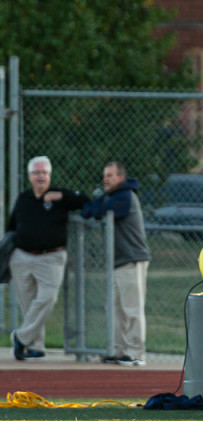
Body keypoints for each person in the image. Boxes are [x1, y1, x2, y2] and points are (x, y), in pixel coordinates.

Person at [7, 156, 87, 361]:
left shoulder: (60, 197)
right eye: (36, 173)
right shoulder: (24, 198)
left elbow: (85, 201)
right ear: (30, 176)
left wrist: (61, 196)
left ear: (50, 175)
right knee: (28, 303)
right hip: (22, 257)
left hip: (51, 257)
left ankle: (21, 337)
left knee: (47, 298)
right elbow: (12, 226)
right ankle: (36, 347)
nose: (41, 176)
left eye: (44, 172)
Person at [81, 161, 150, 367]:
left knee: (132, 308)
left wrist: (96, 207)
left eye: (110, 175)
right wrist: (95, 206)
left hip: (131, 259)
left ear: (121, 178)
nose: (106, 179)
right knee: (115, 308)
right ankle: (118, 350)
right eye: (105, 175)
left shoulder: (126, 196)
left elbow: (104, 210)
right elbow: (89, 209)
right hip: (117, 263)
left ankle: (136, 353)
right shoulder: (111, 196)